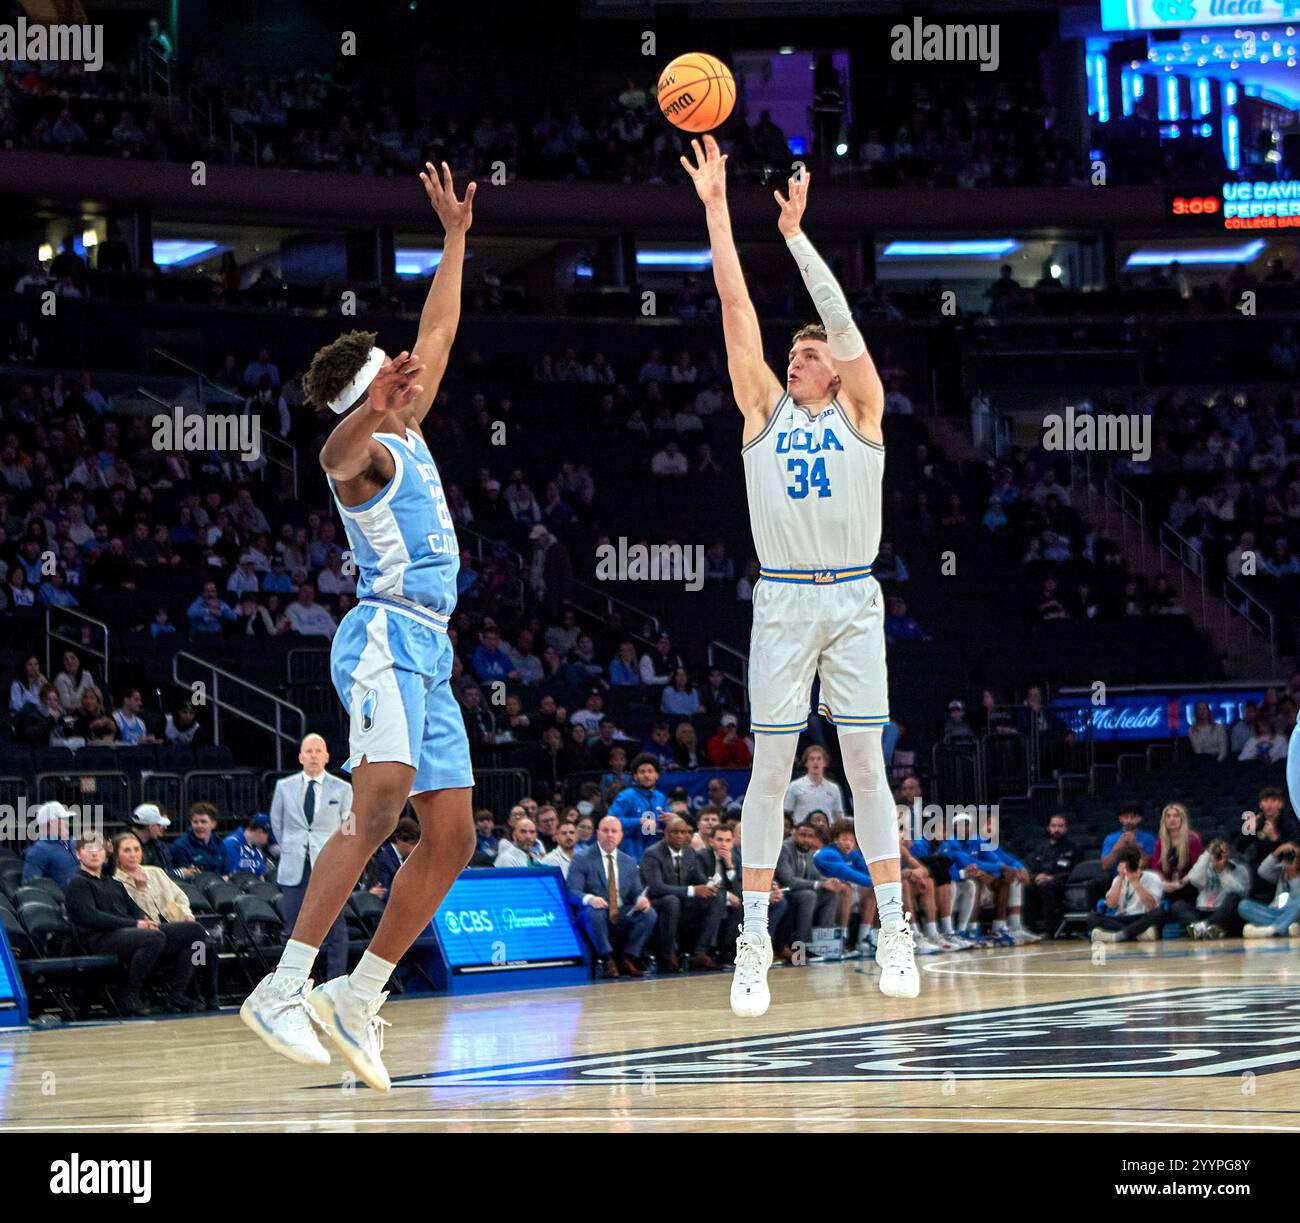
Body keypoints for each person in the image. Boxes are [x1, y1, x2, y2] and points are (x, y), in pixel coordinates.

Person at [241, 161, 477, 1093]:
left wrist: (456, 237)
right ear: (367, 399)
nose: (410, 374)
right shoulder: (367, 452)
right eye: (392, 377)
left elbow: (442, 327)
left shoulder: (406, 427)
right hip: (381, 635)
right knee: (378, 805)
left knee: (451, 834)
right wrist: (367, 415)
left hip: (433, 648)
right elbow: (332, 457)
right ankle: (283, 983)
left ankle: (359, 995)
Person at [682, 135, 912, 1015]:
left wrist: (795, 235)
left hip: (853, 596)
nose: (794, 358)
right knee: (768, 769)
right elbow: (734, 307)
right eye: (793, 355)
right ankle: (752, 941)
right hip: (780, 597)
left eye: (806, 354)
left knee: (864, 764)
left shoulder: (862, 407)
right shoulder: (761, 410)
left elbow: (843, 326)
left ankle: (895, 926)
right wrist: (715, 206)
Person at [64, 834, 204, 1016]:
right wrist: (136, 924)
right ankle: (129, 996)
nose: (94, 854)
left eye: (98, 849)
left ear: (105, 853)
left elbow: (135, 909)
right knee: (153, 937)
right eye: (88, 850)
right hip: (98, 938)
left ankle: (176, 994)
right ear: (78, 854)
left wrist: (145, 921)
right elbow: (93, 917)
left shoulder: (113, 883)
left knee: (195, 932)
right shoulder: (78, 883)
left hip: (127, 932)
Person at [270, 734, 353, 981]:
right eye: (308, 751)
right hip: (294, 864)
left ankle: (335, 982)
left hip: (329, 865)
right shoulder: (284, 787)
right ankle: (289, 982)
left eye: (318, 750)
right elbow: (277, 824)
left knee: (335, 927)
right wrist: (292, 847)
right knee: (292, 926)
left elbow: (350, 828)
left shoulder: (344, 788)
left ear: (327, 756)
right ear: (300, 756)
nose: (313, 755)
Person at [110, 831, 207, 1011]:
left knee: (201, 946)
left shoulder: (156, 872)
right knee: (196, 934)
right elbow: (137, 912)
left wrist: (185, 915)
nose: (133, 854)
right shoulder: (115, 881)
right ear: (116, 855)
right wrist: (140, 888)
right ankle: (180, 994)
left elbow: (180, 897)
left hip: (174, 925)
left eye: (136, 849)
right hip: (148, 932)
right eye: (127, 850)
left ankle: (200, 994)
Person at [568, 815, 655, 978]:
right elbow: (572, 891)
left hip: (620, 913)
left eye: (614, 831)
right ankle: (607, 961)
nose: (609, 835)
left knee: (648, 913)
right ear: (597, 833)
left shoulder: (628, 861)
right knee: (593, 913)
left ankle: (628, 959)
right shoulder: (582, 858)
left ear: (621, 835)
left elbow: (636, 891)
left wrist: (640, 899)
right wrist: (589, 899)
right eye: (605, 830)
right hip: (595, 913)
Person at [640, 816, 724, 972]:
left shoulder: (689, 851)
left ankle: (700, 953)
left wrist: (710, 886)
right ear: (665, 833)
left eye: (683, 832)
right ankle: (668, 956)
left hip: (684, 905)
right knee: (672, 901)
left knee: (716, 898)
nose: (679, 836)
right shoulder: (652, 854)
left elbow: (699, 879)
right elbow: (656, 888)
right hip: (659, 904)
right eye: (675, 832)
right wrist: (692, 890)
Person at [774, 820, 843, 958]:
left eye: (810, 836)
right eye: (802, 835)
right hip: (785, 893)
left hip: (803, 893)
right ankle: (801, 945)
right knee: (809, 895)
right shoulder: (784, 848)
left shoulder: (810, 852)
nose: (806, 839)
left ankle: (823, 943)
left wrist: (828, 881)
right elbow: (789, 880)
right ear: (794, 835)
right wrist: (818, 884)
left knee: (830, 894)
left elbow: (815, 876)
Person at [1088, 845, 1166, 943]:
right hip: (1122, 918)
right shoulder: (1117, 879)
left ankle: (1116, 936)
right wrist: (1121, 877)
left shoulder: (1153, 878)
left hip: (1142, 917)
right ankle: (1136, 935)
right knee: (1092, 917)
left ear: (1140, 862)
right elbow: (1111, 904)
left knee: (1159, 913)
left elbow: (1152, 905)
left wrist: (1135, 882)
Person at [1173, 838, 1248, 939]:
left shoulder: (1238, 869)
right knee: (1178, 905)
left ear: (1228, 853)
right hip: (1203, 910)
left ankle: (1201, 928)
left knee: (1234, 897)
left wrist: (1222, 872)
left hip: (1222, 913)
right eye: (1215, 851)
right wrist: (1207, 854)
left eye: (1222, 851)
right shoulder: (1204, 867)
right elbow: (1194, 879)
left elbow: (1240, 892)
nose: (1218, 853)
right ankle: (1202, 929)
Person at [1021, 812, 1080, 937]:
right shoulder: (1040, 848)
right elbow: (1029, 867)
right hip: (1039, 882)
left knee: (1046, 886)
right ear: (1048, 828)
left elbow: (1076, 872)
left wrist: (1052, 878)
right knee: (1026, 886)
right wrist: (1035, 877)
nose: (1056, 829)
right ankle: (1029, 928)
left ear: (1066, 828)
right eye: (1053, 826)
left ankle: (1050, 930)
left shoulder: (1073, 849)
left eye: (1060, 826)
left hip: (1062, 885)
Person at [608, 754, 671, 861]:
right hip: (629, 855)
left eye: (650, 771)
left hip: (656, 856)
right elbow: (611, 821)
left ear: (657, 775)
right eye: (642, 772)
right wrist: (639, 821)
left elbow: (667, 821)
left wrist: (671, 819)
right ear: (635, 776)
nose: (647, 775)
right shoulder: (626, 796)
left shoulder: (660, 797)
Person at [1239, 838, 1300, 936]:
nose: (1290, 858)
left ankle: (1272, 929)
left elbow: (1296, 902)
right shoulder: (1280, 872)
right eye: (1287, 855)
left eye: (1294, 856)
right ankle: (1286, 926)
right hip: (1274, 911)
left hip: (1294, 912)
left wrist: (1293, 877)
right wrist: (1278, 851)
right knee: (1243, 905)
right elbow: (1262, 871)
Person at [1152, 802, 1203, 907]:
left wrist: (1180, 883)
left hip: (1189, 883)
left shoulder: (1193, 839)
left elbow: (1198, 868)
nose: (1172, 819)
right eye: (1168, 816)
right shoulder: (1160, 841)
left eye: (1176, 816)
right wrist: (1164, 883)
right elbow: (1156, 869)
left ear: (1182, 819)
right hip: (1169, 885)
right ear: (1164, 821)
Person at [20, 801, 80, 888]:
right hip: (65, 899)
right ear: (52, 822)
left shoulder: (72, 841)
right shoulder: (38, 851)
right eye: (63, 819)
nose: (67, 823)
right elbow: (29, 886)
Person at [783, 745, 845, 824]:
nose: (815, 762)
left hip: (826, 833)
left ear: (825, 763)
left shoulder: (834, 788)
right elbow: (787, 813)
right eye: (812, 759)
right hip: (803, 832)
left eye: (819, 759)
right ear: (806, 763)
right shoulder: (795, 786)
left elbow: (838, 815)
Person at [365, 819, 421, 899]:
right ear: (399, 840)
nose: (415, 848)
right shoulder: (383, 860)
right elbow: (384, 892)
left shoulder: (408, 858)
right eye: (412, 844)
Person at [169, 803, 225, 877]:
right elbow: (184, 875)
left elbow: (225, 871)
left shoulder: (219, 843)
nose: (199, 825)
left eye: (203, 822)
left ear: (213, 824)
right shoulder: (181, 846)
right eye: (195, 822)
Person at [130, 804, 177, 875]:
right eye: (159, 825)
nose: (164, 828)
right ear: (151, 827)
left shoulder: (155, 844)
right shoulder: (126, 845)